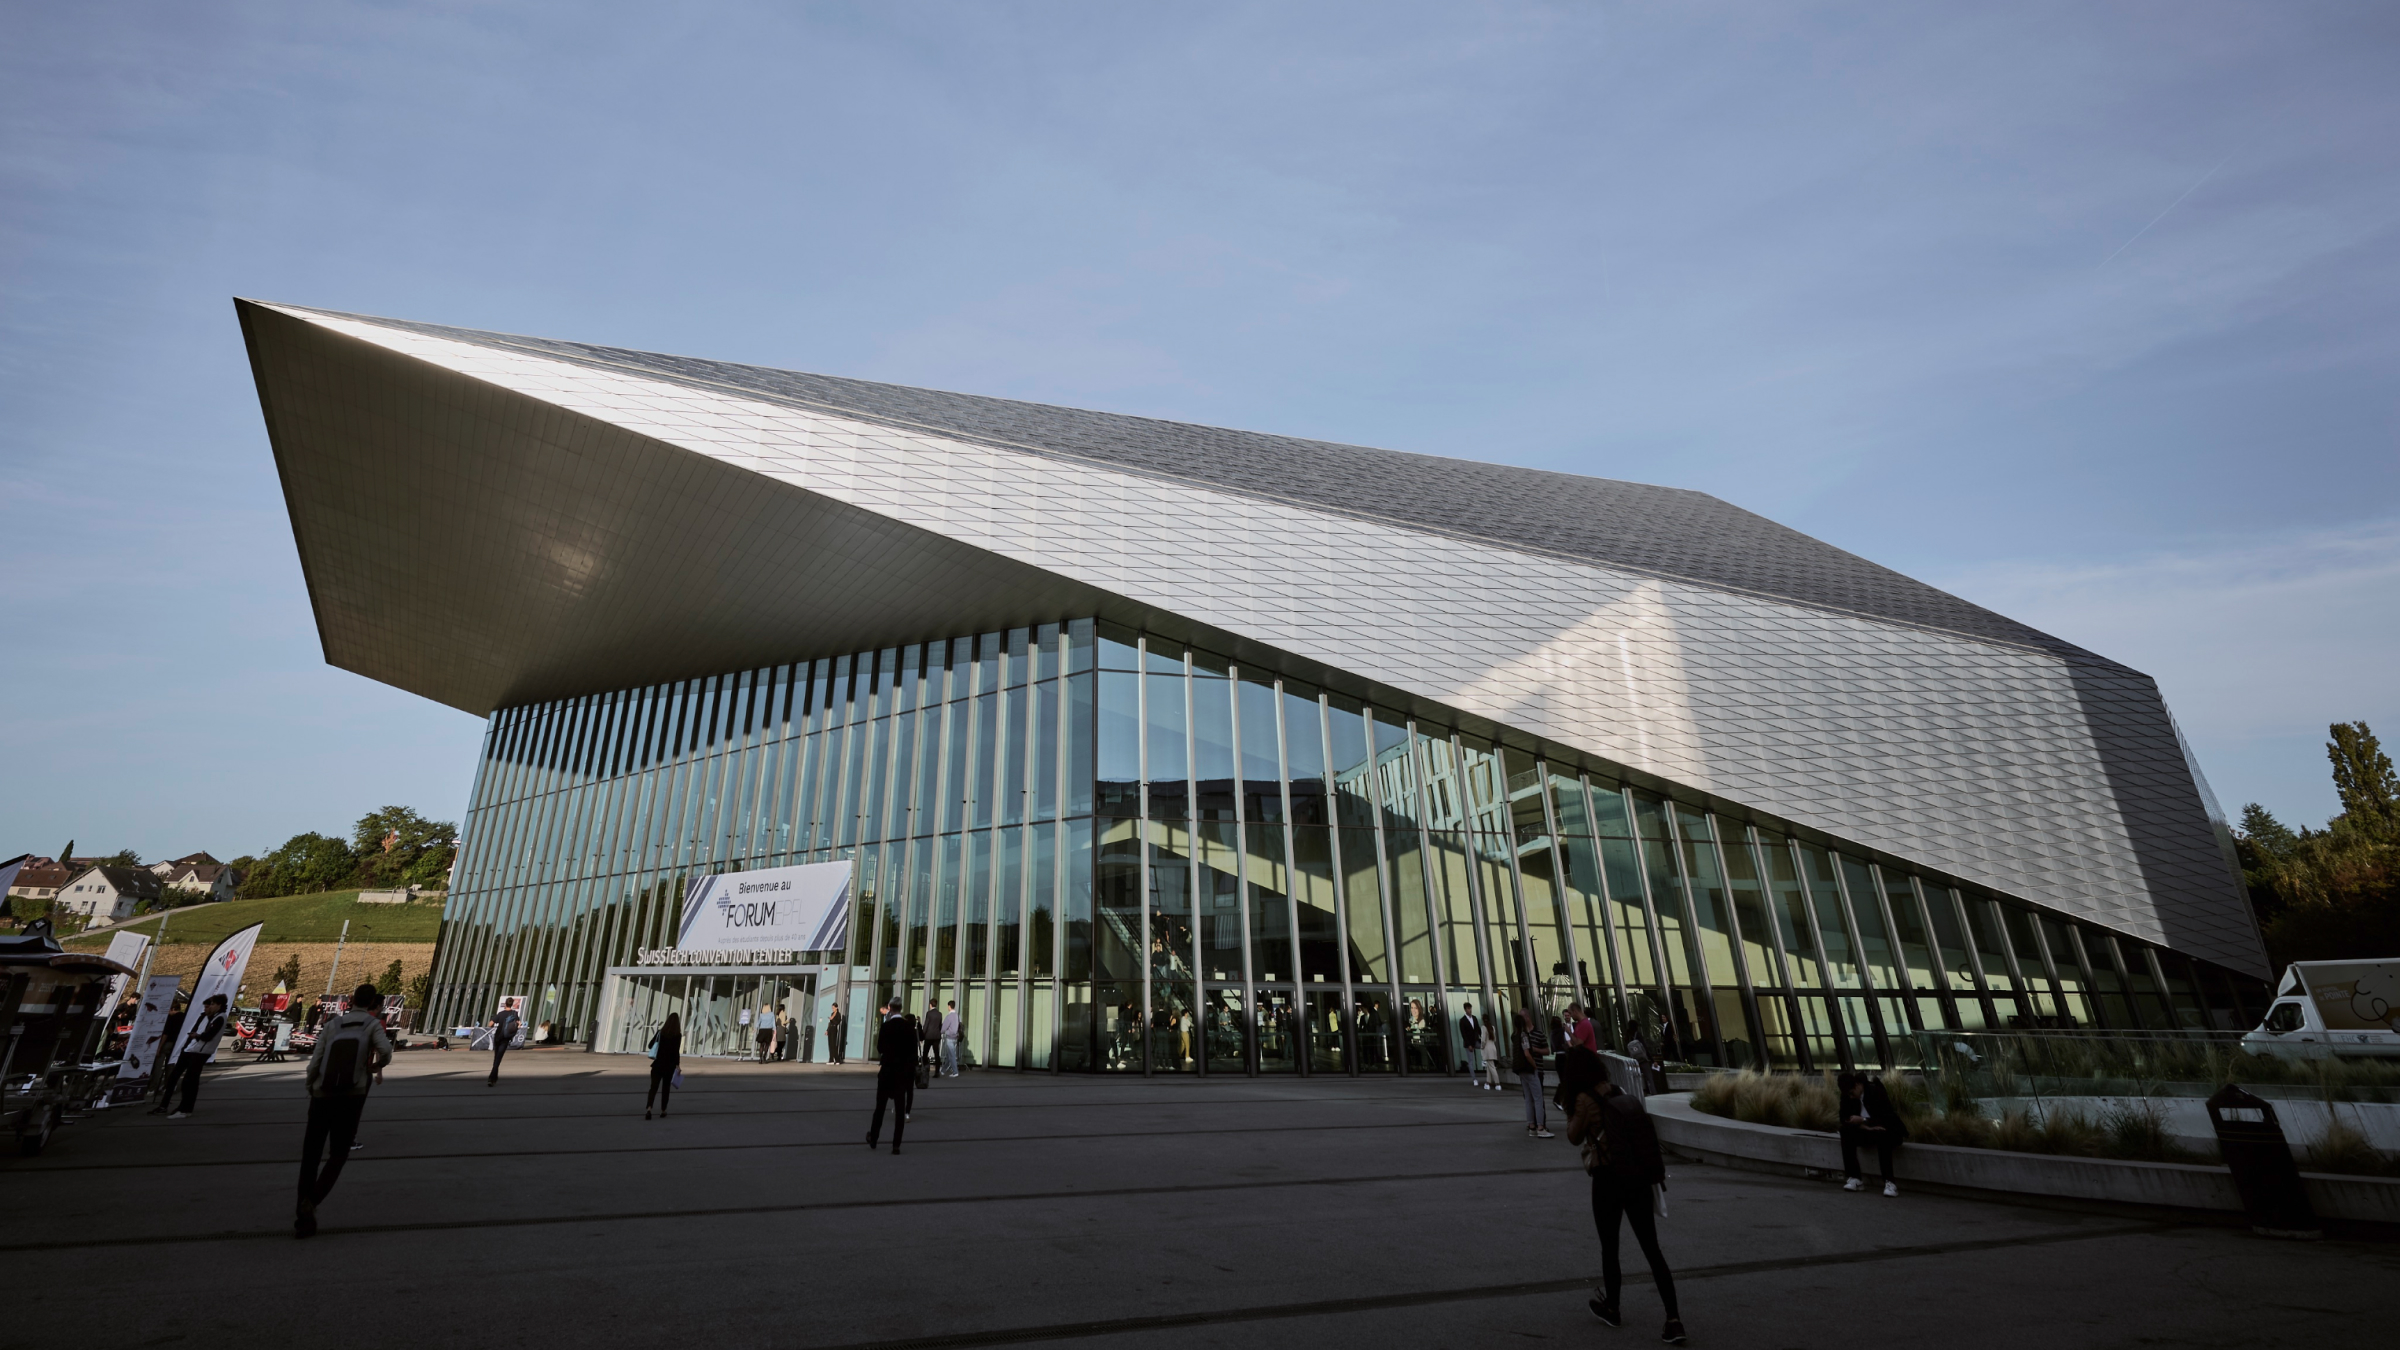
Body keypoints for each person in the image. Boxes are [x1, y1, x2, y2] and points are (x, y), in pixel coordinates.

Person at [1566, 1051, 1684, 1343]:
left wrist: (1571, 1107)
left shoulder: (1583, 1099)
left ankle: (1613, 1307)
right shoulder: (1618, 1091)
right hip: (1637, 1177)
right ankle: (1674, 1319)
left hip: (1608, 1179)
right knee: (1652, 1249)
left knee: (1610, 1247)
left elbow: (1573, 1135)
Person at [294, 984, 393, 1238]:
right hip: (352, 1094)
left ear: (351, 1000)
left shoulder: (333, 1024)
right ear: (372, 1002)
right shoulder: (372, 1025)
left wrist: (311, 1086)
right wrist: (375, 1067)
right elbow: (386, 1051)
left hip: (321, 1094)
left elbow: (315, 1061)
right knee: (338, 1153)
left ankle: (301, 1216)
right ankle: (312, 1201)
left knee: (311, 1154)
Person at [153, 994, 229, 1118]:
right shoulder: (206, 1017)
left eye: (210, 1005)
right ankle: (166, 1106)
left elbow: (208, 1036)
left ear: (218, 1005)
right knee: (176, 1077)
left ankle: (185, 1109)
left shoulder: (219, 1018)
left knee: (190, 1080)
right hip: (191, 1049)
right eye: (205, 1006)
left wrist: (197, 1036)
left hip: (200, 1052)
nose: (207, 1008)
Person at [1838, 1072, 1909, 1196]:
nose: (1850, 1097)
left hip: (1888, 1130)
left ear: (1858, 1085)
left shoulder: (1875, 1091)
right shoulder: (1847, 1096)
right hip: (1866, 1130)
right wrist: (1861, 1125)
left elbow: (1887, 1117)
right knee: (1845, 1132)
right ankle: (1855, 1178)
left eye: (1851, 1093)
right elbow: (1843, 1117)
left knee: (1883, 1136)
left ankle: (1890, 1182)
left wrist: (1864, 1120)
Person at [866, 998, 915, 1153]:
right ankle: (896, 1144)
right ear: (901, 1008)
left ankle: (874, 1138)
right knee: (900, 1111)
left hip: (887, 1072)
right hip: (902, 1073)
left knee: (880, 1107)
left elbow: (880, 1047)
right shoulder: (909, 1028)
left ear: (889, 1008)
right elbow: (913, 1053)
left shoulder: (886, 1027)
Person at [1513, 1009, 1553, 1138]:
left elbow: (1547, 1051)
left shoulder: (1516, 1035)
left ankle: (1532, 1126)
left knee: (1529, 1099)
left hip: (1522, 1071)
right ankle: (1540, 1127)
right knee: (1538, 1098)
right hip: (1531, 1069)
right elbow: (1527, 1053)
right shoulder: (1524, 1035)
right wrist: (1534, 1066)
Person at [646, 1012, 682, 1119]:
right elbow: (676, 1052)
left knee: (653, 1088)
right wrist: (677, 1065)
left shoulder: (660, 1033)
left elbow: (650, 1045)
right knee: (666, 1089)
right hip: (669, 1067)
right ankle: (663, 1110)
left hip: (657, 1065)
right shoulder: (677, 1035)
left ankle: (649, 1109)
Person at [486, 1001, 522, 1086]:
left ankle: (493, 1078)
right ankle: (492, 1078)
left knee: (496, 1057)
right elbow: (519, 1024)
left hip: (498, 1037)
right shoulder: (514, 1013)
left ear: (505, 1004)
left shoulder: (501, 1014)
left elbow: (490, 1024)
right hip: (506, 1038)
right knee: (498, 1058)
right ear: (512, 1004)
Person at [1459, 1004, 1491, 1091]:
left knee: (1484, 1049)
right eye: (1468, 1009)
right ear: (1465, 1009)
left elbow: (1478, 1029)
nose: (1470, 1010)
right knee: (1470, 1061)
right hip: (1469, 1043)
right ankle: (1474, 1079)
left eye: (1470, 1008)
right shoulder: (1462, 1020)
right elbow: (1463, 1034)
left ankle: (1486, 1066)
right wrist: (1469, 1044)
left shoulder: (1474, 1018)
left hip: (1476, 1041)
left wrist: (1483, 1038)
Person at [940, 1000, 962, 1078]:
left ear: (949, 1006)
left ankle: (955, 1072)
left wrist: (941, 1032)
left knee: (951, 1055)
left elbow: (944, 1028)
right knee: (949, 1055)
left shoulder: (949, 1016)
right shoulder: (957, 1015)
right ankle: (943, 1070)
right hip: (955, 1037)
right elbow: (960, 1025)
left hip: (949, 1037)